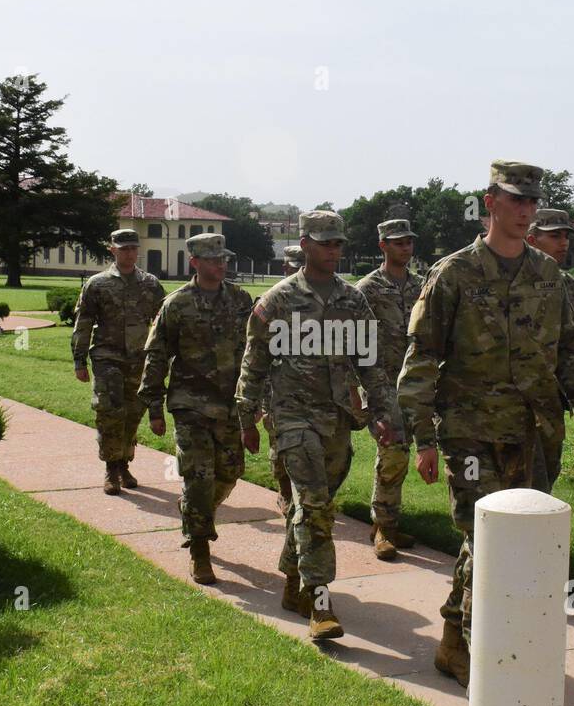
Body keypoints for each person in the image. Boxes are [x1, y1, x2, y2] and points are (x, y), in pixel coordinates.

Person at [399, 160, 574, 687]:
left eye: (533, 202)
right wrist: (422, 439)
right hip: (469, 431)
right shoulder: (453, 273)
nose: (526, 210)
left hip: (533, 432)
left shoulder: (550, 276)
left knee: (513, 542)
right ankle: (479, 655)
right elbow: (421, 358)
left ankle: (453, 638)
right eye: (516, 200)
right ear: (490, 202)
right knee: (486, 538)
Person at [236, 210, 400, 640]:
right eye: (325, 242)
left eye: (338, 243)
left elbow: (369, 363)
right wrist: (246, 418)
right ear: (304, 243)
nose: (333, 250)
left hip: (337, 419)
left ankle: (292, 580)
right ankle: (320, 602)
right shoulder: (278, 300)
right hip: (291, 416)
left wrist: (383, 413)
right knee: (313, 504)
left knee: (313, 507)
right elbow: (254, 363)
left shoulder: (353, 300)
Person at [139, 233, 253, 584]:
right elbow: (157, 355)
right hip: (190, 405)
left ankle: (193, 510)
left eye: (223, 259)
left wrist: (256, 400)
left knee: (230, 472)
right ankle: (199, 548)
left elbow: (255, 352)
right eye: (213, 259)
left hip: (230, 404)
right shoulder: (177, 304)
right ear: (195, 262)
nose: (221, 264)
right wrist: (153, 405)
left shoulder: (240, 299)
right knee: (199, 478)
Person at [72, 229, 167, 495]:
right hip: (107, 357)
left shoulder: (150, 283)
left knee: (133, 414)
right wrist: (79, 360)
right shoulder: (97, 284)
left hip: (139, 359)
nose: (129, 253)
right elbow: (83, 323)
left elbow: (163, 322)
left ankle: (124, 463)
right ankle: (111, 468)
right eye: (124, 249)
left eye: (133, 248)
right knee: (109, 413)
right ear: (112, 250)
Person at [524, 209, 574, 491]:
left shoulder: (567, 285)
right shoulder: (510, 281)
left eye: (566, 236)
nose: (564, 243)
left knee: (545, 478)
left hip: (551, 400)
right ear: (532, 239)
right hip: (509, 402)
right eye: (555, 236)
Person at [356, 219, 424, 559]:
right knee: (393, 450)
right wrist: (358, 388)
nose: (406, 248)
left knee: (406, 451)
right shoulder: (366, 289)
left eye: (409, 242)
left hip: (416, 383)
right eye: (398, 243)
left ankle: (384, 521)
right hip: (380, 383)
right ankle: (384, 525)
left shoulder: (422, 286)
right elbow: (354, 341)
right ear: (383, 245)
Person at [263, 245, 305, 516]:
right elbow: (257, 351)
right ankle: (285, 491)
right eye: (294, 267)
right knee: (279, 442)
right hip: (277, 384)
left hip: (310, 383)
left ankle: (306, 495)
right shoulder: (272, 300)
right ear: (285, 268)